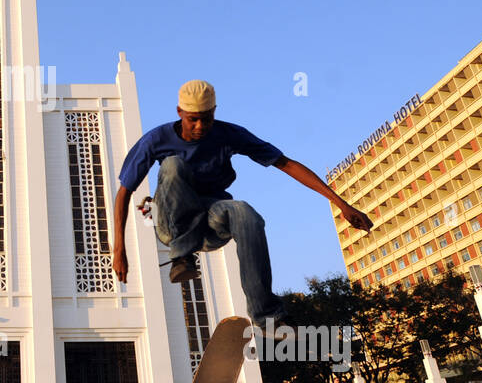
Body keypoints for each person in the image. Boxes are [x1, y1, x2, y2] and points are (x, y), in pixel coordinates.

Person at [111, 80, 372, 329]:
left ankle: (266, 316)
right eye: (193, 120)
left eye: (207, 118)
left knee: (245, 212)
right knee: (172, 165)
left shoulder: (229, 134)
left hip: (211, 220)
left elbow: (286, 164)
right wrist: (119, 249)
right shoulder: (155, 140)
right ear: (180, 112)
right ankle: (182, 256)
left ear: (214, 112)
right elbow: (124, 193)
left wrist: (341, 203)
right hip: (173, 223)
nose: (201, 126)